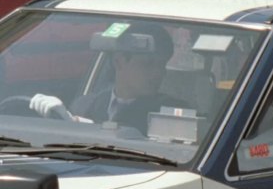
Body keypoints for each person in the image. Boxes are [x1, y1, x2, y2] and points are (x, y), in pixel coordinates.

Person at [29, 23, 182, 134]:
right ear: (119, 62)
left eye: (162, 65)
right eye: (148, 64)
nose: (158, 73)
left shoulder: (171, 113)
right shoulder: (85, 105)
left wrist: (74, 122)